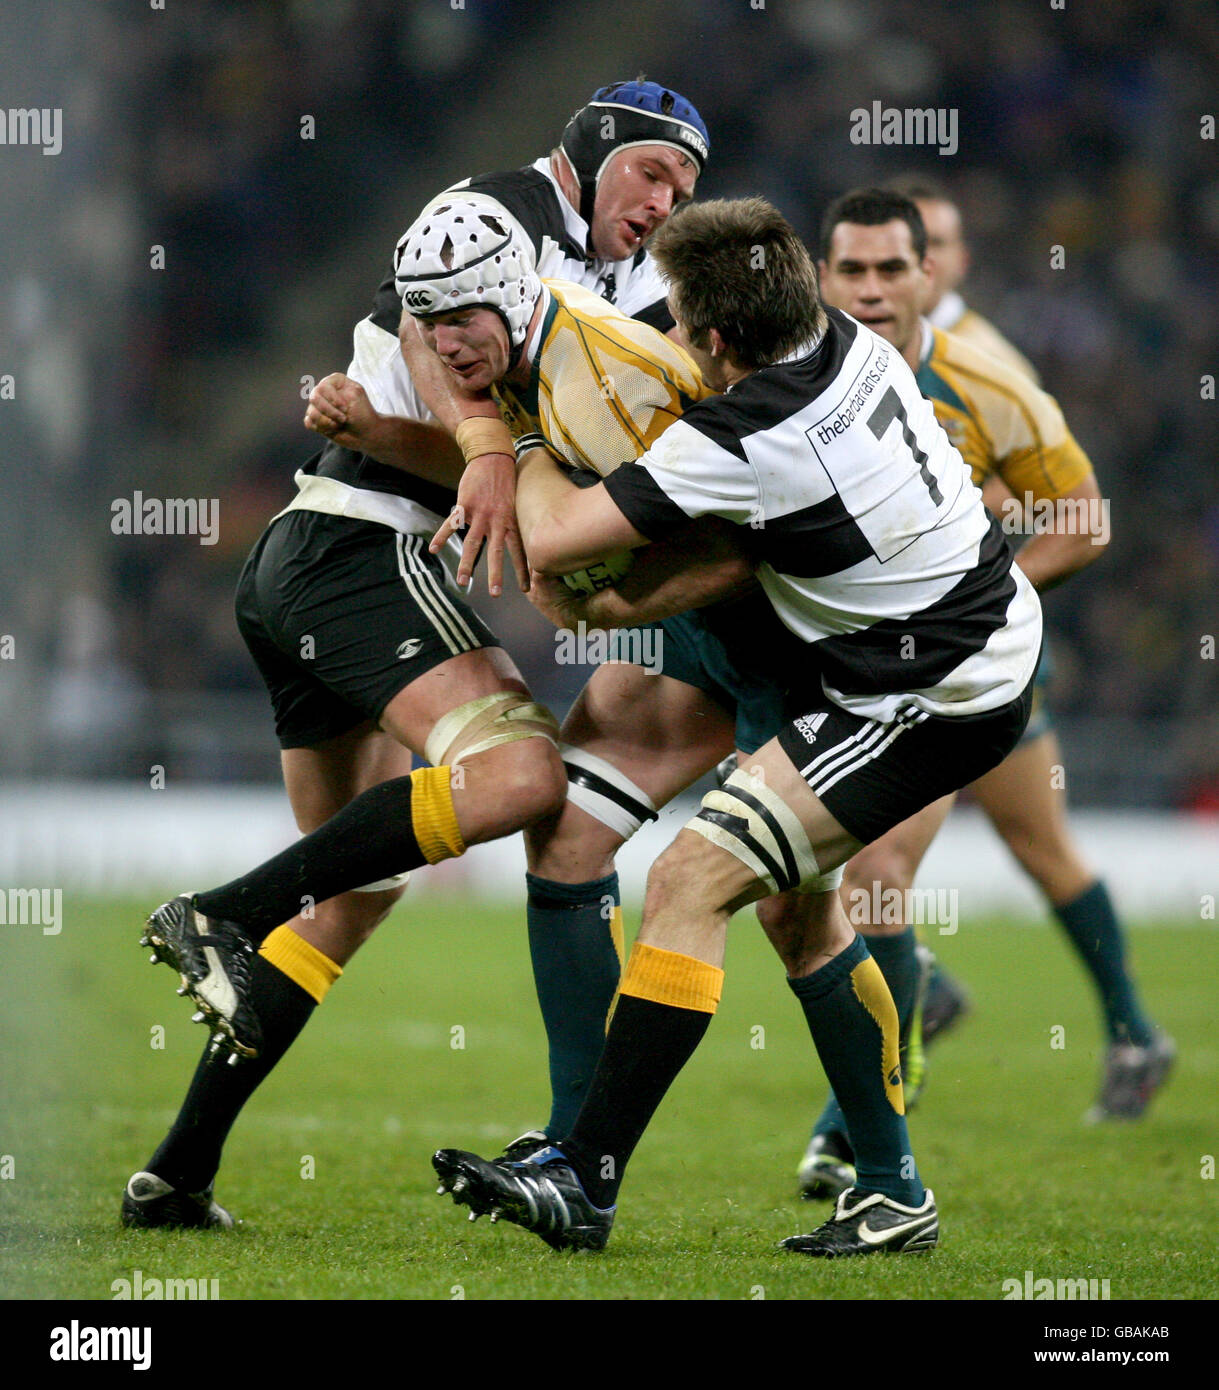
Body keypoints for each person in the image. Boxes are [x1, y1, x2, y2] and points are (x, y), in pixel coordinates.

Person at [121, 81, 710, 1230]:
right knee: (527, 776)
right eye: (652, 172)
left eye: (685, 185)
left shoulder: (625, 284)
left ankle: (176, 1174)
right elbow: (424, 326)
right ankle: (224, 910)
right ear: (590, 152)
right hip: (357, 549)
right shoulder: (497, 212)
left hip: (313, 563)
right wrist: (486, 446)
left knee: (354, 886)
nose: (667, 199)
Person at [432, 195, 1043, 1257]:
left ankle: (586, 1176)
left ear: (718, 341)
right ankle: (892, 1190)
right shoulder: (843, 340)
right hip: (950, 643)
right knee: (798, 918)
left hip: (923, 696)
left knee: (688, 879)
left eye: (681, 323)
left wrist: (512, 426)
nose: (671, 335)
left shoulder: (753, 437)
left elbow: (562, 536)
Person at [793, 188, 1173, 1201]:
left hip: (975, 661)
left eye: (908, 260)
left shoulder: (983, 371)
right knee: (878, 866)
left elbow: (1059, 505)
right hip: (878, 664)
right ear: (828, 272)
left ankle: (1113, 1028)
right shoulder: (814, 367)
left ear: (938, 267)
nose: (876, 283)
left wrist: (982, 578)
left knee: (1006, 850)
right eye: (854, 268)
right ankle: (905, 1029)